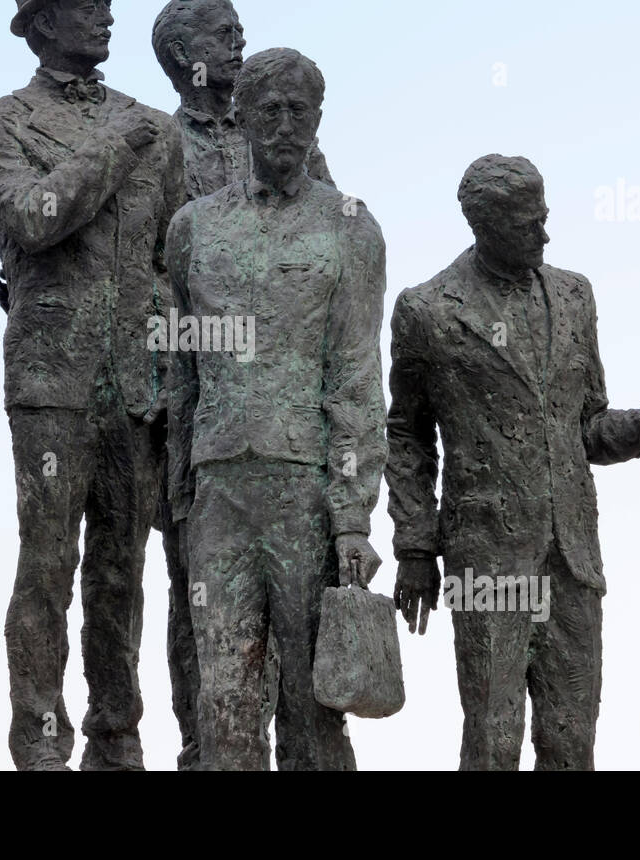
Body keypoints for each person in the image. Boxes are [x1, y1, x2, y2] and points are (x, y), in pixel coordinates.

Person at [387, 153, 640, 770]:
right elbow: (406, 438)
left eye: (544, 217)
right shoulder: (427, 310)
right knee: (494, 738)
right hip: (487, 556)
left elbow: (588, 428)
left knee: (571, 740)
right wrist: (413, 549)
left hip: (572, 554)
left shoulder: (574, 294)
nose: (544, 234)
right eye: (526, 223)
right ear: (482, 225)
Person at [0, 0, 186, 770]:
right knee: (47, 565)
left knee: (123, 571)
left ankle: (117, 739)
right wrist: (114, 147)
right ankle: (40, 742)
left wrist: (169, 348)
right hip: (53, 379)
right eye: (86, 3)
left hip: (137, 383)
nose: (105, 14)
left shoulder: (157, 129)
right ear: (41, 25)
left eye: (105, 1)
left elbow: (177, 255)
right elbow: (32, 216)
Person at [165, 48, 386, 770]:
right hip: (220, 489)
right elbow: (184, 370)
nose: (285, 124)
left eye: (300, 110)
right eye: (270, 110)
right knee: (223, 699)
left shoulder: (349, 226)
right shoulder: (194, 227)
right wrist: (181, 488)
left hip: (306, 490)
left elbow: (355, 376)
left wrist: (353, 516)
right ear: (242, 118)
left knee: (311, 708)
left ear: (319, 118)